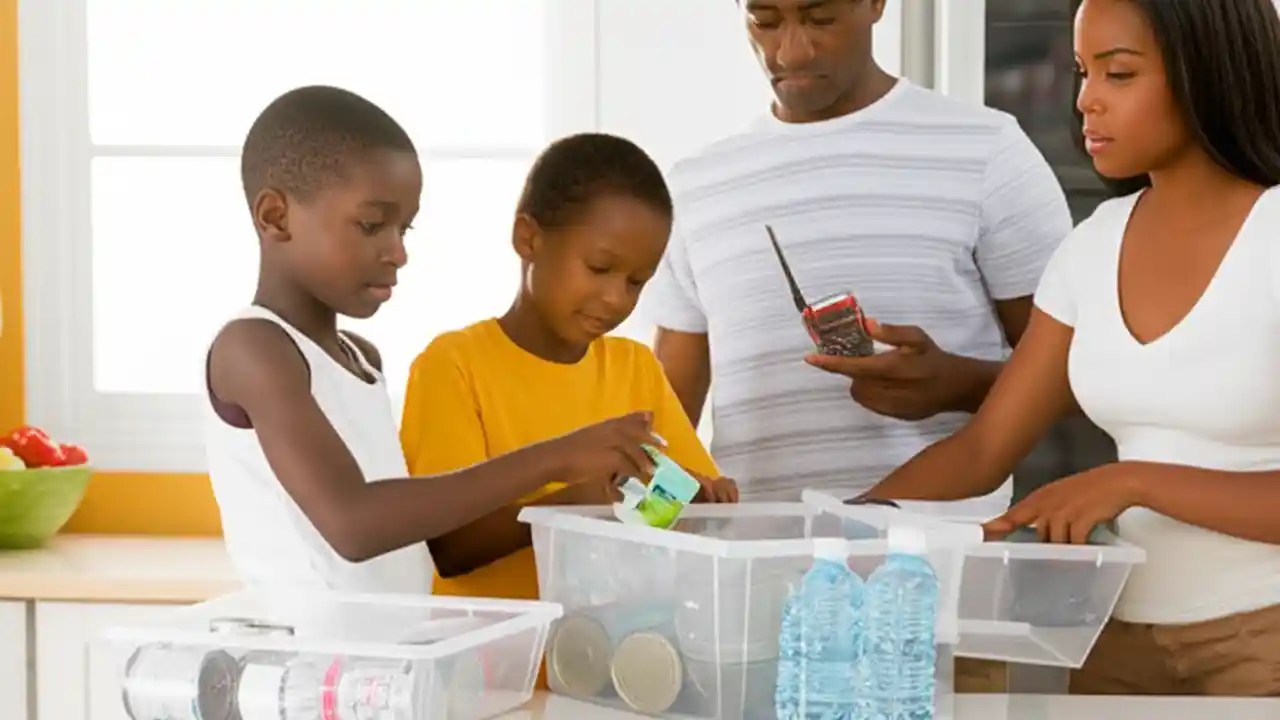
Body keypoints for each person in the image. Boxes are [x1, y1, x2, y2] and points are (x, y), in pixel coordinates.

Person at [864, 0, 1280, 696]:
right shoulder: (1092, 247)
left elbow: (1130, 481)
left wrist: (1132, 480)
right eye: (1083, 71)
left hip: (1263, 638)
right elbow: (982, 450)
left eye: (1118, 74)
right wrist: (837, 528)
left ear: (1204, 71)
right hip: (1110, 639)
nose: (1086, 100)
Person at [203, 86, 661, 595]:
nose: (398, 252)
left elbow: (407, 528)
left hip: (381, 656)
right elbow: (354, 524)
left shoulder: (360, 359)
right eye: (372, 225)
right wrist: (557, 458)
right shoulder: (253, 349)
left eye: (405, 228)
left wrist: (580, 497)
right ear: (275, 217)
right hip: (307, 660)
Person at [641, 0, 1072, 510]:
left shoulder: (988, 151)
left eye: (820, 19)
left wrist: (959, 385)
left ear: (875, 4)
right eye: (765, 21)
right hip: (757, 570)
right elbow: (665, 434)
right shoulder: (697, 185)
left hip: (939, 571)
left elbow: (1080, 378)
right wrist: (637, 553)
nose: (792, 51)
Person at [400, 132, 738, 604]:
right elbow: (450, 546)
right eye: (600, 269)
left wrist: (705, 502)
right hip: (492, 666)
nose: (617, 298)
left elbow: (681, 505)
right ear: (529, 239)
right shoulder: (454, 366)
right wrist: (570, 502)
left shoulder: (635, 367)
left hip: (607, 660)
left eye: (637, 282)